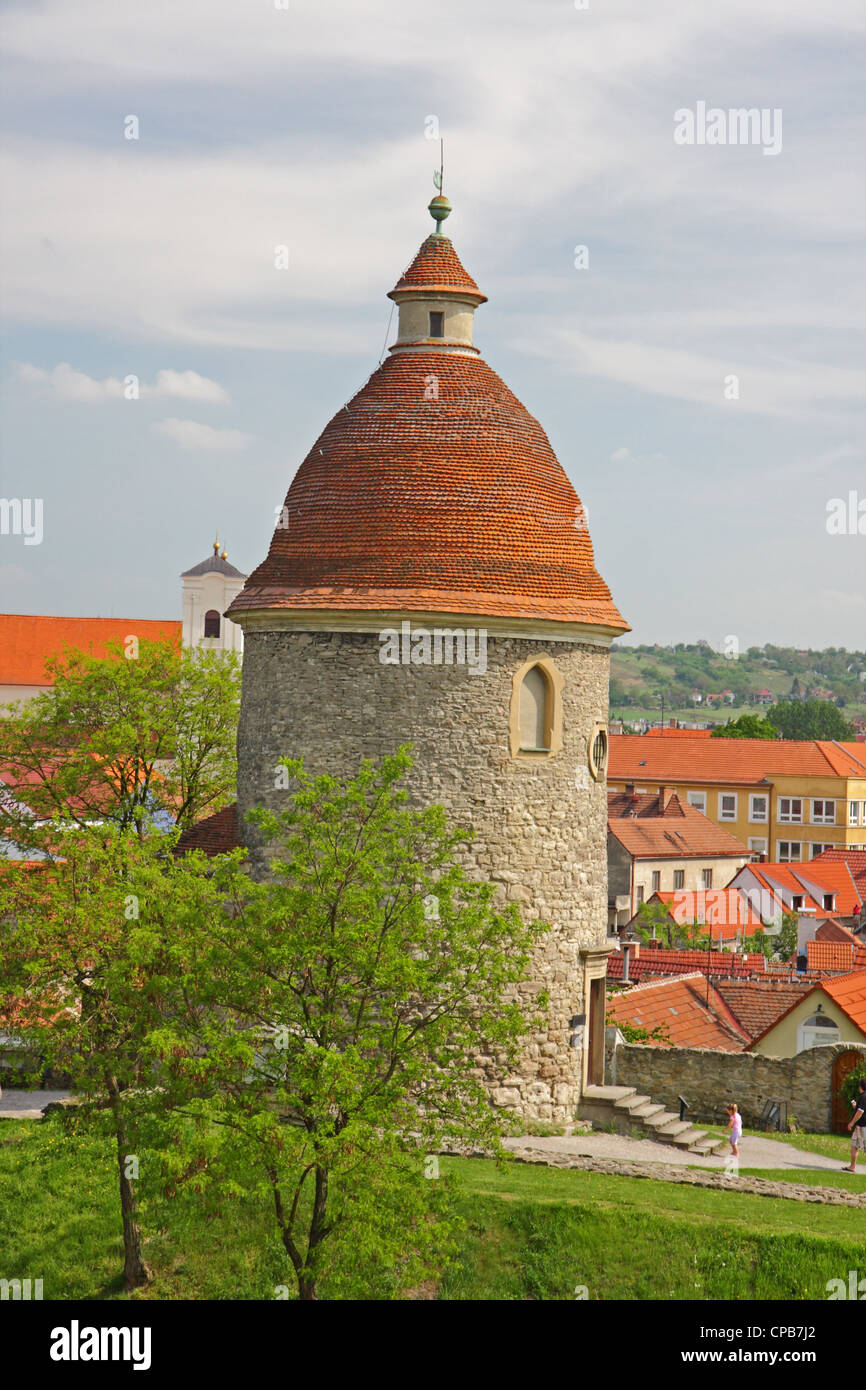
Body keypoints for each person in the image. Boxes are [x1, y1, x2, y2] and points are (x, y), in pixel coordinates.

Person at [843, 1078, 866, 1173]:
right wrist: (855, 1106)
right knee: (854, 1145)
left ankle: (852, 1166)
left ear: (860, 1086)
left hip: (863, 1126)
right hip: (859, 1126)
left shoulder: (863, 1097)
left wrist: (851, 1123)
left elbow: (860, 1112)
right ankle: (852, 1166)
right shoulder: (863, 1097)